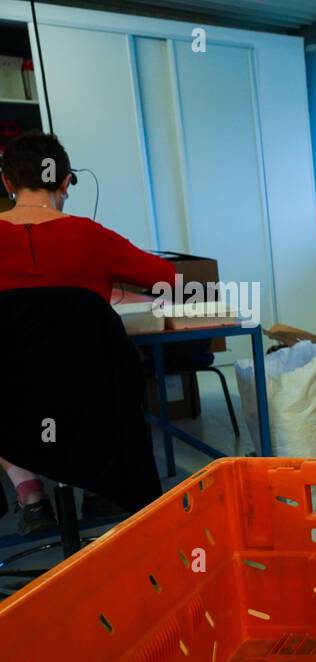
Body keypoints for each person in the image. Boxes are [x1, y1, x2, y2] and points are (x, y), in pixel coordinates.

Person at [0, 131, 175, 534]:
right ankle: (98, 488)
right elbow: (165, 277)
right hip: (85, 395)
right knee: (101, 388)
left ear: (7, 183)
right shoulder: (90, 237)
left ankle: (31, 495)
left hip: (7, 400)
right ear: (65, 182)